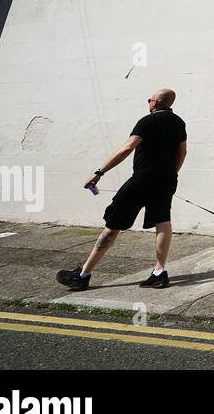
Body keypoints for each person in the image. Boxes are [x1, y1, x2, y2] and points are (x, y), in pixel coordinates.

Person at [56, 88, 187, 290]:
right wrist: (172, 174)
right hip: (166, 181)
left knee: (113, 223)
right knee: (162, 221)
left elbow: (127, 148)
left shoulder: (147, 121)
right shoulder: (179, 123)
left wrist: (99, 173)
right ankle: (159, 272)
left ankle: (83, 276)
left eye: (149, 99)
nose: (148, 102)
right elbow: (182, 151)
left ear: (155, 103)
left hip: (141, 181)